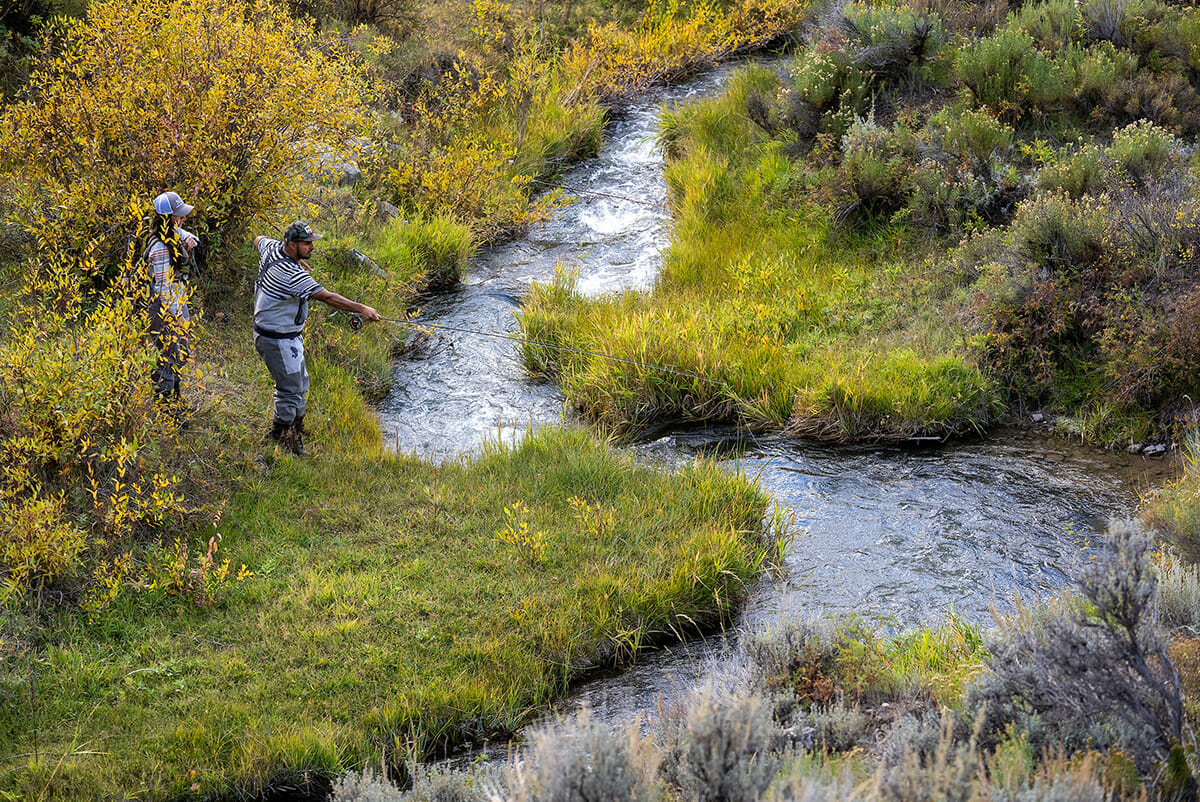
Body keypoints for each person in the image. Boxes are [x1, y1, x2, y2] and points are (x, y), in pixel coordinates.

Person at [253, 220, 381, 455]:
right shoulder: (290, 274)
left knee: (301, 384)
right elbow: (328, 297)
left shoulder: (273, 248)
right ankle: (281, 439)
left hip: (286, 336)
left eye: (312, 242)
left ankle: (295, 433)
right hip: (277, 338)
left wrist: (296, 258)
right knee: (289, 390)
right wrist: (362, 309)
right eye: (306, 243)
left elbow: (259, 239)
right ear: (291, 244)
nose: (312, 247)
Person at [145, 191, 200, 409]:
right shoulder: (160, 247)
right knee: (168, 356)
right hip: (164, 309)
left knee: (180, 353)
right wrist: (176, 316)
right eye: (179, 215)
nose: (183, 218)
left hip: (176, 303)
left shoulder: (172, 235)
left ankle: (175, 400)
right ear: (168, 218)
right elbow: (162, 288)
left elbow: (193, 238)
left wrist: (187, 237)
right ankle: (166, 408)